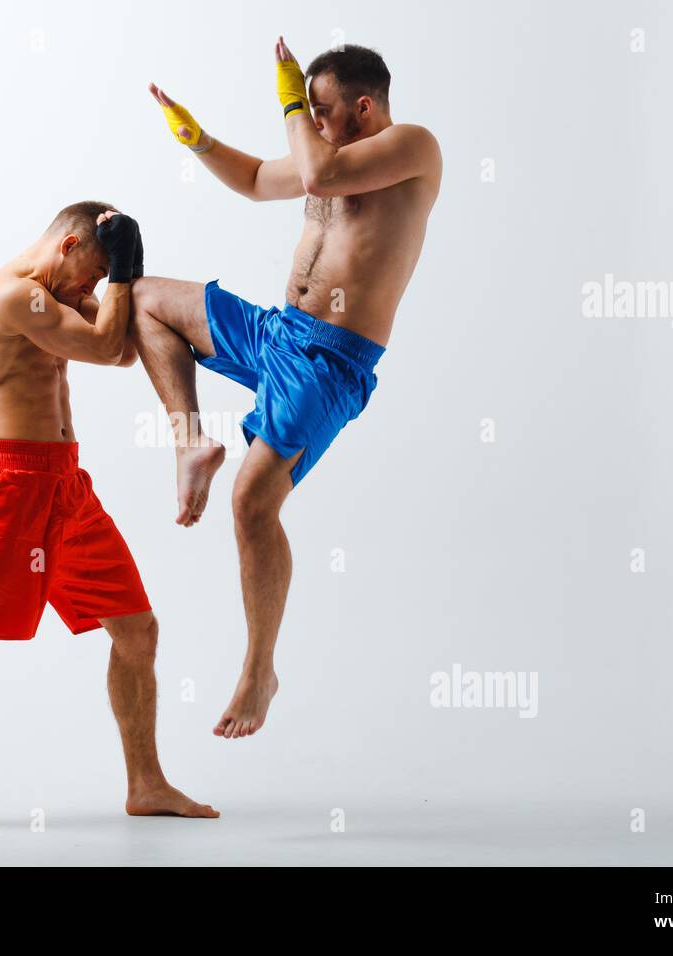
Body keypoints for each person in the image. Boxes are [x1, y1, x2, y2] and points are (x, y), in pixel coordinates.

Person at [131, 39, 442, 739]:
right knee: (144, 299)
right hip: (279, 333)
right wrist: (199, 140)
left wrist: (288, 99)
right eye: (309, 112)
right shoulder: (323, 158)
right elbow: (253, 179)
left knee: (251, 504)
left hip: (330, 362)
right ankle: (190, 443)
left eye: (321, 110)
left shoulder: (414, 148)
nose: (312, 122)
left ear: (365, 109)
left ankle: (259, 671)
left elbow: (319, 173)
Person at [0, 203, 218, 833]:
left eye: (100, 281)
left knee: (137, 630)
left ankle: (146, 784)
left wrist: (125, 276)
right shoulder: (12, 295)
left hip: (67, 486)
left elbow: (122, 350)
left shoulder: (57, 292)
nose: (92, 289)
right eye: (92, 273)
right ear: (68, 245)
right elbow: (105, 343)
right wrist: (123, 274)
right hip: (10, 488)